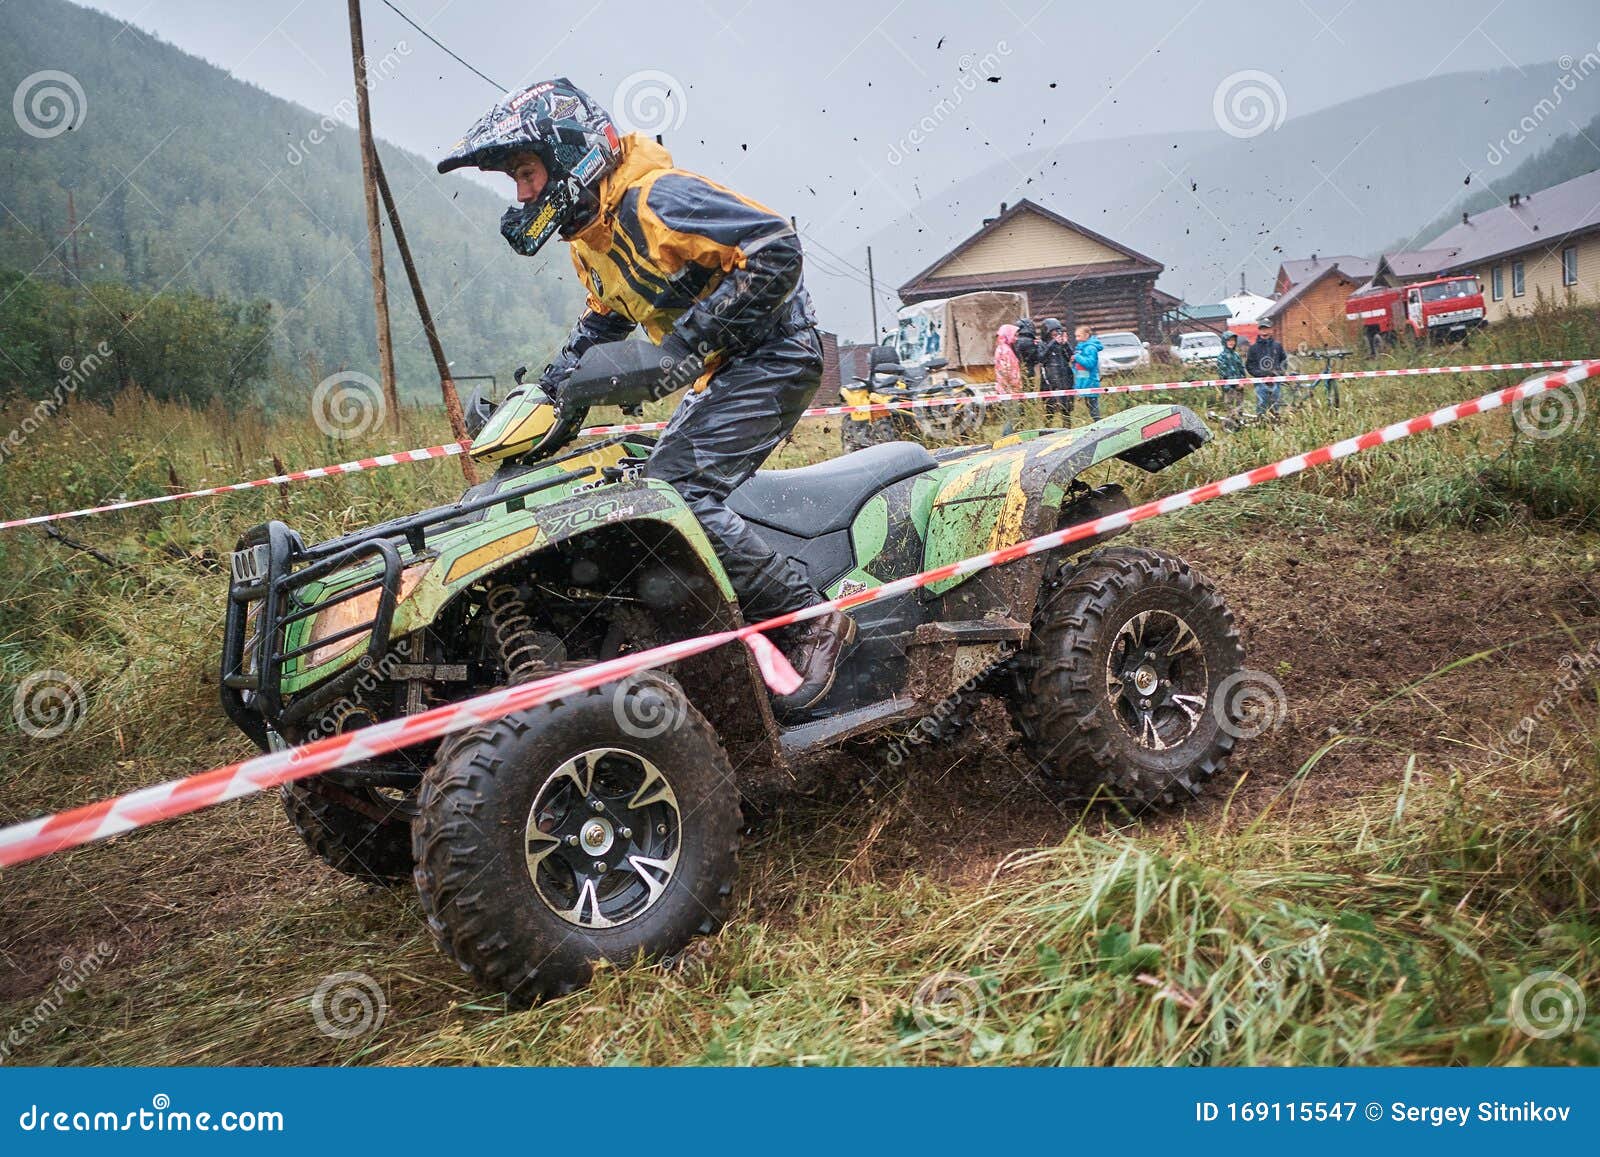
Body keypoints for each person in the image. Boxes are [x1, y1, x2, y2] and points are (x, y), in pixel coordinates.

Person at [437, 78, 853, 713]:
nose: (522, 193)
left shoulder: (658, 198)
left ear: (569, 153)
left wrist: (686, 342)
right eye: (513, 181)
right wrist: (551, 397)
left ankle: (810, 619)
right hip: (723, 366)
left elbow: (775, 246)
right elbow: (603, 322)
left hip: (775, 352)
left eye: (526, 172)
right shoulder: (588, 242)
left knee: (676, 493)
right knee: (636, 485)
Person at [1245, 319, 1288, 417]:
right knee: (1261, 405)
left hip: (1275, 381)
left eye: (1266, 329)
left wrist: (1278, 372)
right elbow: (1249, 366)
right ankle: (1261, 424)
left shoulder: (1277, 346)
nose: (1264, 331)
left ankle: (1275, 423)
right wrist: (1262, 375)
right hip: (1260, 383)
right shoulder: (1253, 348)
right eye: (1262, 329)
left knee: (1275, 404)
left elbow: (1284, 361)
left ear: (1271, 330)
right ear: (1259, 331)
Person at [1039, 318, 1076, 424]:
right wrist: (1052, 344)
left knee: (1066, 407)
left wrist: (1065, 344)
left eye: (1058, 331)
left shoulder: (1061, 344)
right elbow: (1041, 358)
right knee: (1049, 408)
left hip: (1064, 378)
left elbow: (1070, 357)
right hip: (1049, 380)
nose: (1056, 334)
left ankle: (1067, 428)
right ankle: (1047, 429)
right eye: (1053, 331)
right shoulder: (1042, 344)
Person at [1071, 325, 1103, 421]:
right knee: (1090, 408)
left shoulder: (1090, 348)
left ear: (1086, 335)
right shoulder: (1081, 348)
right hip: (1084, 381)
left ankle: (1100, 426)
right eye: (1076, 336)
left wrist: (1077, 357)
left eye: (1079, 336)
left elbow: (1090, 364)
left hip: (1090, 382)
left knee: (1094, 410)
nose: (1077, 339)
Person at [1215, 331, 1246, 413]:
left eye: (1233, 340)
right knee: (1231, 411)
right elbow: (1223, 373)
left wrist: (1243, 381)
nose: (1231, 342)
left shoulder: (1236, 355)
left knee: (1240, 409)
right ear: (1224, 342)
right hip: (1228, 389)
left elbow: (1241, 369)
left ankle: (1240, 424)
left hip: (1240, 388)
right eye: (1229, 340)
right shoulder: (1221, 357)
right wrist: (1235, 383)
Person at [994, 323, 1023, 394]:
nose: (1016, 338)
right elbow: (1007, 371)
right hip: (1009, 390)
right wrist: (1015, 386)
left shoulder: (1003, 348)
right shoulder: (1005, 350)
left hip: (1007, 388)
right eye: (1014, 335)